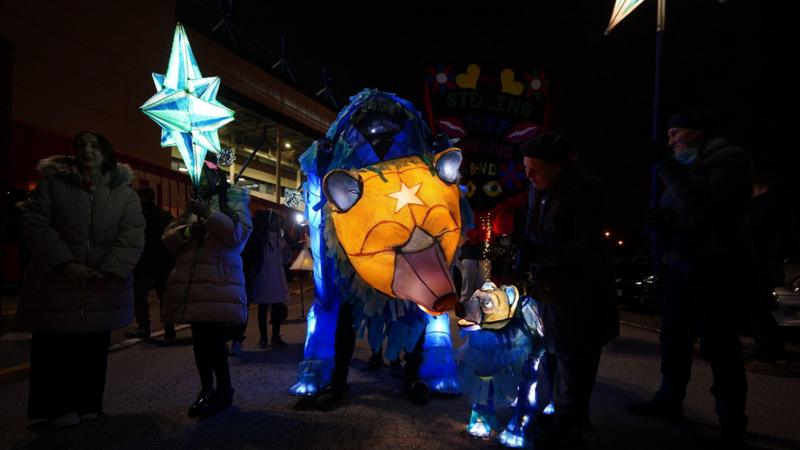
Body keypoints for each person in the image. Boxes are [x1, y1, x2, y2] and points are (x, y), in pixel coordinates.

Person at [628, 107, 754, 448]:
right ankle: (669, 399)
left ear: (697, 132)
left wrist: (667, 167)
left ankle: (730, 417)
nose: (670, 142)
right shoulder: (683, 164)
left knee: (718, 342)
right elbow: (681, 208)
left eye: (675, 134)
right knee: (673, 336)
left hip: (715, 265)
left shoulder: (730, 160)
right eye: (668, 135)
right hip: (681, 263)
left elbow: (697, 202)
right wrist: (661, 224)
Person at [16, 131, 145, 427]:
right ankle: (56, 407)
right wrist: (65, 263)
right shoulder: (53, 184)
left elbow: (133, 234)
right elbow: (34, 223)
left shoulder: (125, 193)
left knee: (94, 345)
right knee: (54, 346)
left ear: (106, 152)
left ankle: (89, 404)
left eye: (95, 146)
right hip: (58, 281)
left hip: (101, 283)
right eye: (82, 145)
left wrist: (111, 269)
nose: (88, 150)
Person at [520, 132, 618, 446]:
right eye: (525, 168)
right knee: (551, 351)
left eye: (535, 169)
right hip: (549, 286)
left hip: (579, 290)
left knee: (573, 356)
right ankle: (561, 414)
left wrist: (542, 255)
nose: (529, 176)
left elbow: (585, 246)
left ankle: (569, 423)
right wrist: (525, 252)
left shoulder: (585, 190)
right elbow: (535, 230)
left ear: (559, 166)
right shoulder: (540, 188)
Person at [161, 160, 251, 418]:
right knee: (200, 340)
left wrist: (209, 215)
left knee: (213, 339)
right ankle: (206, 389)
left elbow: (236, 236)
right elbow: (168, 239)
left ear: (216, 177)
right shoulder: (193, 205)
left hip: (218, 281)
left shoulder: (234, 200)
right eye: (195, 177)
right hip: (194, 282)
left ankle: (224, 389)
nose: (198, 181)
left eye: (203, 176)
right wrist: (190, 229)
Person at [747, 173, 796, 369]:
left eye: (753, 189)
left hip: (759, 266)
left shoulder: (765, 207)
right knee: (761, 311)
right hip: (767, 266)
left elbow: (752, 231)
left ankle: (766, 356)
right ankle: (777, 353)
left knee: (756, 311)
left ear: (762, 187)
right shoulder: (779, 207)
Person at [232, 209, 291, 354]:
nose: (278, 223)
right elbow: (254, 258)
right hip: (264, 276)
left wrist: (287, 251)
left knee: (276, 308)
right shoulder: (259, 238)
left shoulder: (279, 239)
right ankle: (264, 337)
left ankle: (275, 336)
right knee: (263, 308)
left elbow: (285, 259)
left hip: (276, 277)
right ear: (268, 222)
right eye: (276, 220)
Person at [125, 186, 176, 340]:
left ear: (142, 198)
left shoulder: (136, 216)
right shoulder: (165, 216)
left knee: (140, 297)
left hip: (143, 263)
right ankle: (169, 327)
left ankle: (143, 327)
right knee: (164, 296)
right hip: (162, 263)